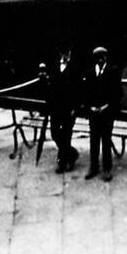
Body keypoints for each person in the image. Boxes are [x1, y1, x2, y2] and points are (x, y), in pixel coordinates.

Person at [84, 46, 120, 182]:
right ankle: (93, 167)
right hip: (94, 113)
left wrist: (106, 106)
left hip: (106, 113)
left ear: (106, 58)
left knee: (106, 140)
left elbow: (117, 93)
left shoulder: (113, 71)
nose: (100, 60)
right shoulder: (90, 73)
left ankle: (107, 169)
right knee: (94, 140)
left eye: (102, 57)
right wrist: (90, 108)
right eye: (97, 58)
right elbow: (86, 93)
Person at [45, 45, 81, 173]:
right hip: (56, 108)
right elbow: (50, 89)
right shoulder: (54, 68)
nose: (65, 56)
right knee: (55, 133)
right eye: (63, 54)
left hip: (68, 109)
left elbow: (78, 91)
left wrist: (74, 108)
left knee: (66, 135)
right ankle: (72, 153)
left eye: (67, 54)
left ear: (70, 54)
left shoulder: (75, 69)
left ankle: (64, 161)